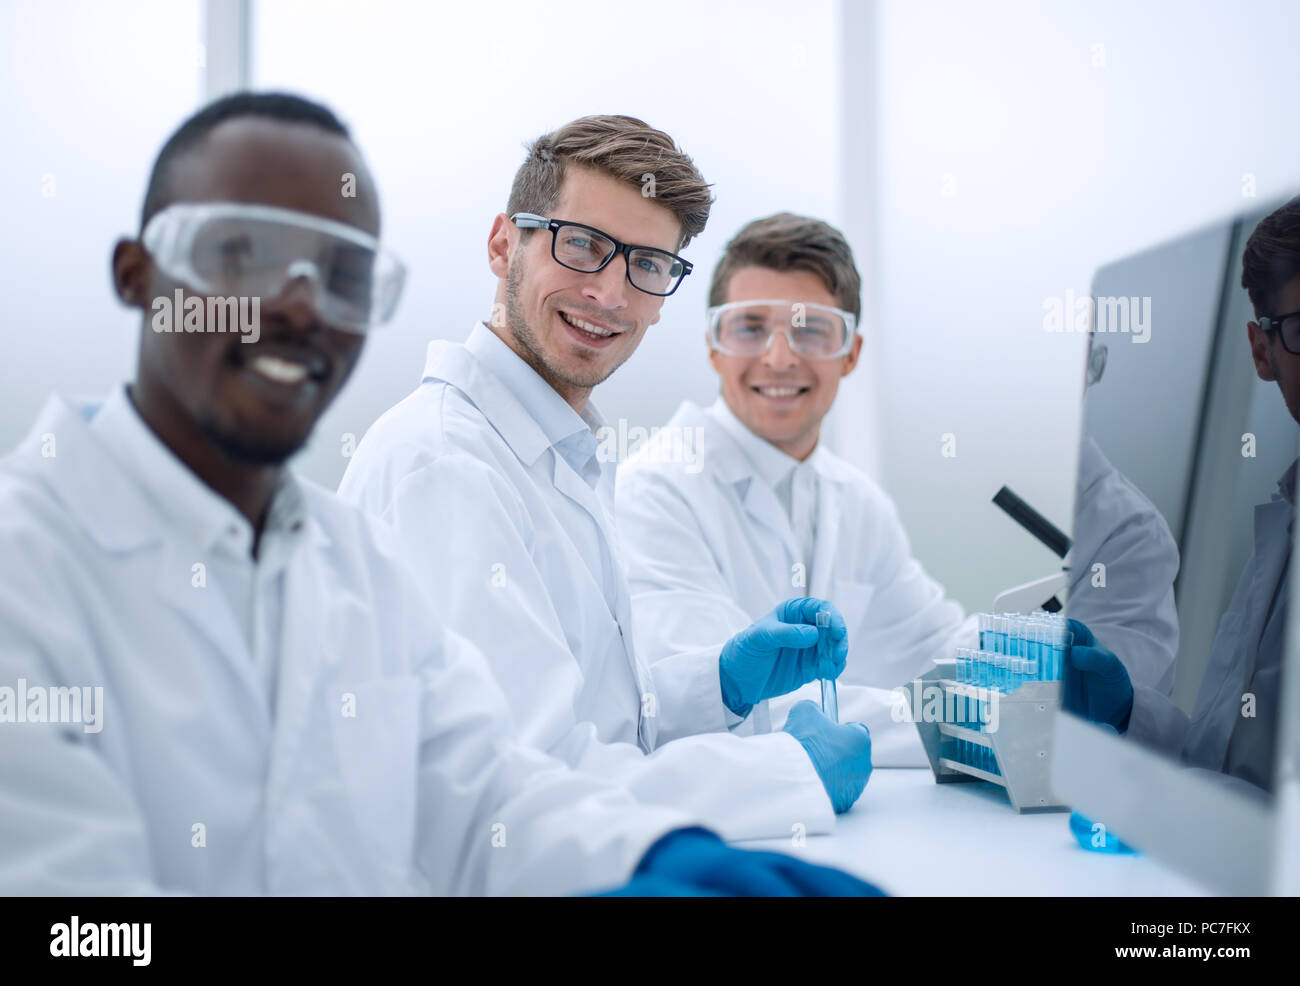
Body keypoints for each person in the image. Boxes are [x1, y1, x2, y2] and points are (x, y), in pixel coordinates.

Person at [0, 92, 882, 897]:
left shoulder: (338, 554)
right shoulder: (27, 569)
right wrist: (782, 777)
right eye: (246, 253)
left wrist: (667, 834)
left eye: (342, 273)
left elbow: (487, 787)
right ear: (136, 274)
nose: (300, 306)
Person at [339, 117, 872, 837]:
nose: (611, 293)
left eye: (647, 264)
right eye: (584, 245)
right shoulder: (445, 466)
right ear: (504, 244)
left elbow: (589, 721)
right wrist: (787, 775)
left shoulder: (556, 453)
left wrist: (716, 685)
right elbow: (530, 787)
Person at [615, 213, 974, 761]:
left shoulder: (858, 503)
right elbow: (719, 710)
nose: (779, 358)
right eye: (750, 327)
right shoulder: (655, 491)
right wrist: (956, 714)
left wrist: (1035, 650)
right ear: (714, 346)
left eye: (810, 329)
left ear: (851, 352)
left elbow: (939, 655)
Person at [1064, 196, 1299, 793]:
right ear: (1261, 350)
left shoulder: (1128, 531)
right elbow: (1223, 763)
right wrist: (1126, 715)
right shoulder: (1283, 523)